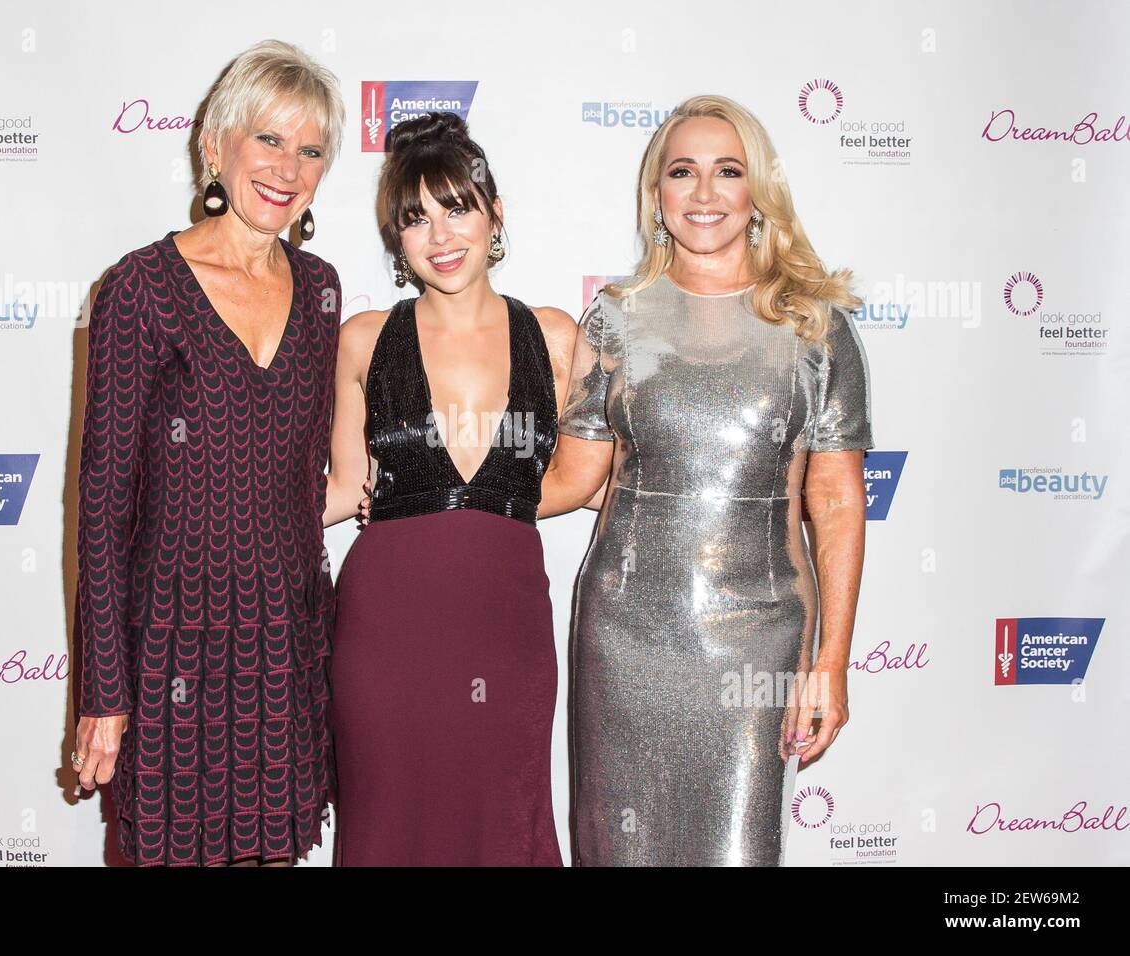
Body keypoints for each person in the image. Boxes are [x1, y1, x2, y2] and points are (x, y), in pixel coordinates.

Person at [540, 94, 874, 866]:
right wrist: (444, 488)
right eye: (681, 172)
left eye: (728, 171)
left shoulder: (815, 326)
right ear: (655, 194)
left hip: (758, 640)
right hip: (623, 633)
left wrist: (830, 665)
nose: (704, 193)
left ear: (758, 190)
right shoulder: (616, 317)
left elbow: (833, 502)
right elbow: (578, 474)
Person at [71, 40, 345, 867]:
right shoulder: (141, 289)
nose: (287, 167)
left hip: (282, 651)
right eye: (267, 139)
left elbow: (300, 480)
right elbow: (102, 505)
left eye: (310, 150)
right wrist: (105, 693)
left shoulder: (323, 290)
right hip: (170, 654)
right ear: (214, 145)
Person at [323, 112, 576, 866]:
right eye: (414, 219)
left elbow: (592, 478)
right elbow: (343, 486)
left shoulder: (557, 336)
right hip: (385, 634)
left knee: (503, 823)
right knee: (387, 829)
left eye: (456, 206)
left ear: (494, 213)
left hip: (507, 626)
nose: (439, 235)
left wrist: (491, 504)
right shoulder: (364, 339)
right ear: (396, 242)